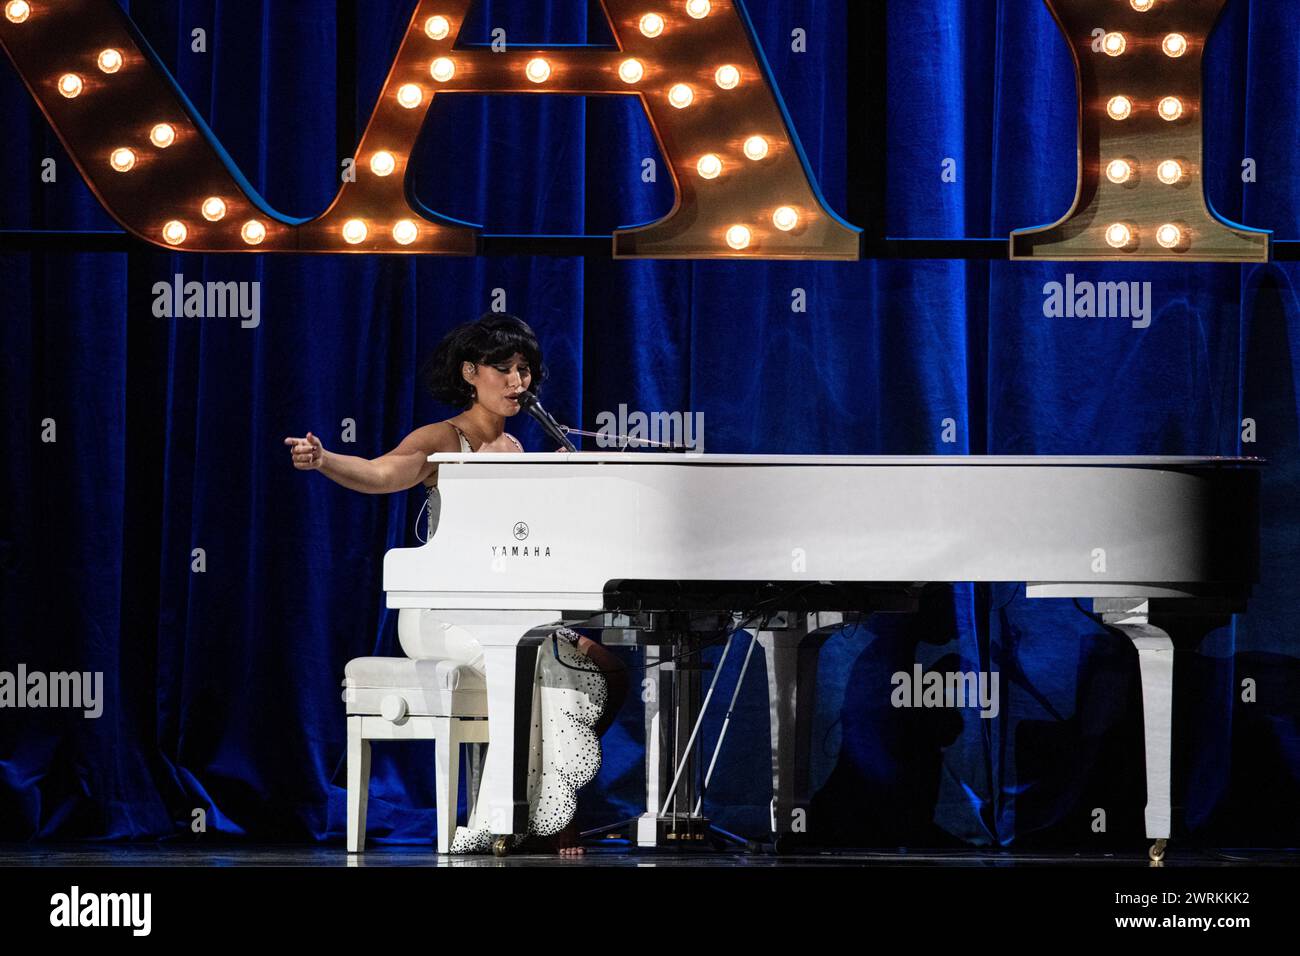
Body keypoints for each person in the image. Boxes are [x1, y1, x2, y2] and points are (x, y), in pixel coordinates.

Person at [284, 313, 627, 856]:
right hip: (440, 617)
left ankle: (544, 800)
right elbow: (382, 473)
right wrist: (324, 459)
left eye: (525, 370)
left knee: (605, 666)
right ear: (471, 373)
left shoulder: (515, 449)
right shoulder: (443, 438)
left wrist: (564, 486)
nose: (519, 382)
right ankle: (506, 817)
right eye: (504, 369)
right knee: (533, 661)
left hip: (502, 610)